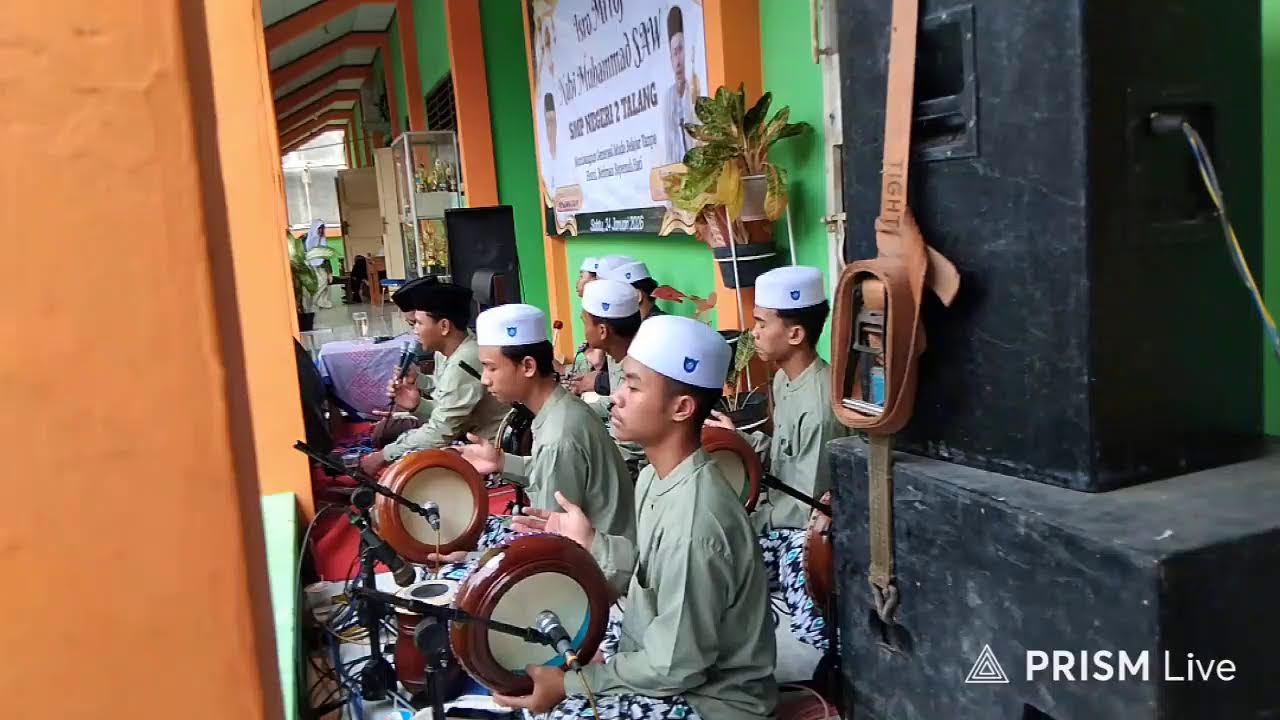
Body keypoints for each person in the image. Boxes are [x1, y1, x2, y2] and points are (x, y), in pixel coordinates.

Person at [503, 315, 777, 720]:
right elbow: (651, 573)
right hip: (666, 656)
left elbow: (674, 666)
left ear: (682, 408)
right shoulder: (653, 476)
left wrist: (572, 685)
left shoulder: (695, 522)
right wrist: (591, 542)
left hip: (714, 700)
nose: (617, 397)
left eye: (633, 385)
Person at [705, 265, 846, 649]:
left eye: (762, 323)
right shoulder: (785, 379)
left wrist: (746, 520)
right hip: (779, 514)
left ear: (795, 334)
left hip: (806, 534)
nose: (754, 333)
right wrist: (737, 441)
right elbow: (784, 453)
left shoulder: (819, 404)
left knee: (718, 556)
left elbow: (807, 505)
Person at [439, 303, 635, 567]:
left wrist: (475, 560)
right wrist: (501, 462)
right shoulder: (561, 409)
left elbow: (548, 542)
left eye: (491, 368)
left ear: (528, 366)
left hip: (597, 569)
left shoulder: (559, 435)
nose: (484, 380)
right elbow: (553, 472)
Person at [358, 277, 509, 475]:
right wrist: (416, 403)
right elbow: (444, 404)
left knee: (404, 468)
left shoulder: (463, 362)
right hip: (462, 430)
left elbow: (440, 432)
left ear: (444, 326)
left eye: (418, 323)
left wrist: (382, 456)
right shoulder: (448, 350)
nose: (415, 331)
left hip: (483, 448)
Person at [578, 279, 645, 476]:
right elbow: (611, 405)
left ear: (602, 331)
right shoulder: (616, 356)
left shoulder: (642, 367)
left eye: (584, 322)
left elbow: (632, 448)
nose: (584, 329)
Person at [661, 6, 697, 166]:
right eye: (674, 53)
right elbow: (669, 150)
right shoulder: (668, 98)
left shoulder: (695, 88)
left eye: (680, 50)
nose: (678, 61)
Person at [304, 219, 334, 309]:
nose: (321, 230)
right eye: (319, 228)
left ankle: (321, 301)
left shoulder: (323, 240)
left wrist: (330, 272)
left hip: (321, 265)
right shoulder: (305, 239)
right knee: (320, 283)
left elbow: (326, 256)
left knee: (324, 282)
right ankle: (314, 300)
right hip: (310, 265)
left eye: (322, 228)